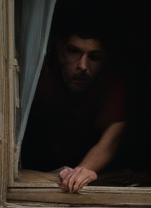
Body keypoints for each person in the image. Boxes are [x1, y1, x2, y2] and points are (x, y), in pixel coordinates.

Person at [20, 23, 127, 193]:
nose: (82, 66)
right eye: (73, 51)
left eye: (94, 57)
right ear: (59, 48)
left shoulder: (112, 84)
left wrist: (81, 172)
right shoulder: (36, 73)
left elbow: (109, 141)